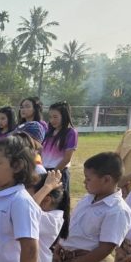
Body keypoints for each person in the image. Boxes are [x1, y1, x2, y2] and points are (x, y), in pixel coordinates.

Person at [42, 101, 78, 238]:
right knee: (45, 204)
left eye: (55, 117)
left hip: (58, 173)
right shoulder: (49, 132)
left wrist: (53, 174)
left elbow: (67, 158)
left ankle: (60, 236)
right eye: (50, 117)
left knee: (59, 206)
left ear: (64, 115)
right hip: (45, 172)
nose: (52, 120)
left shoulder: (70, 133)